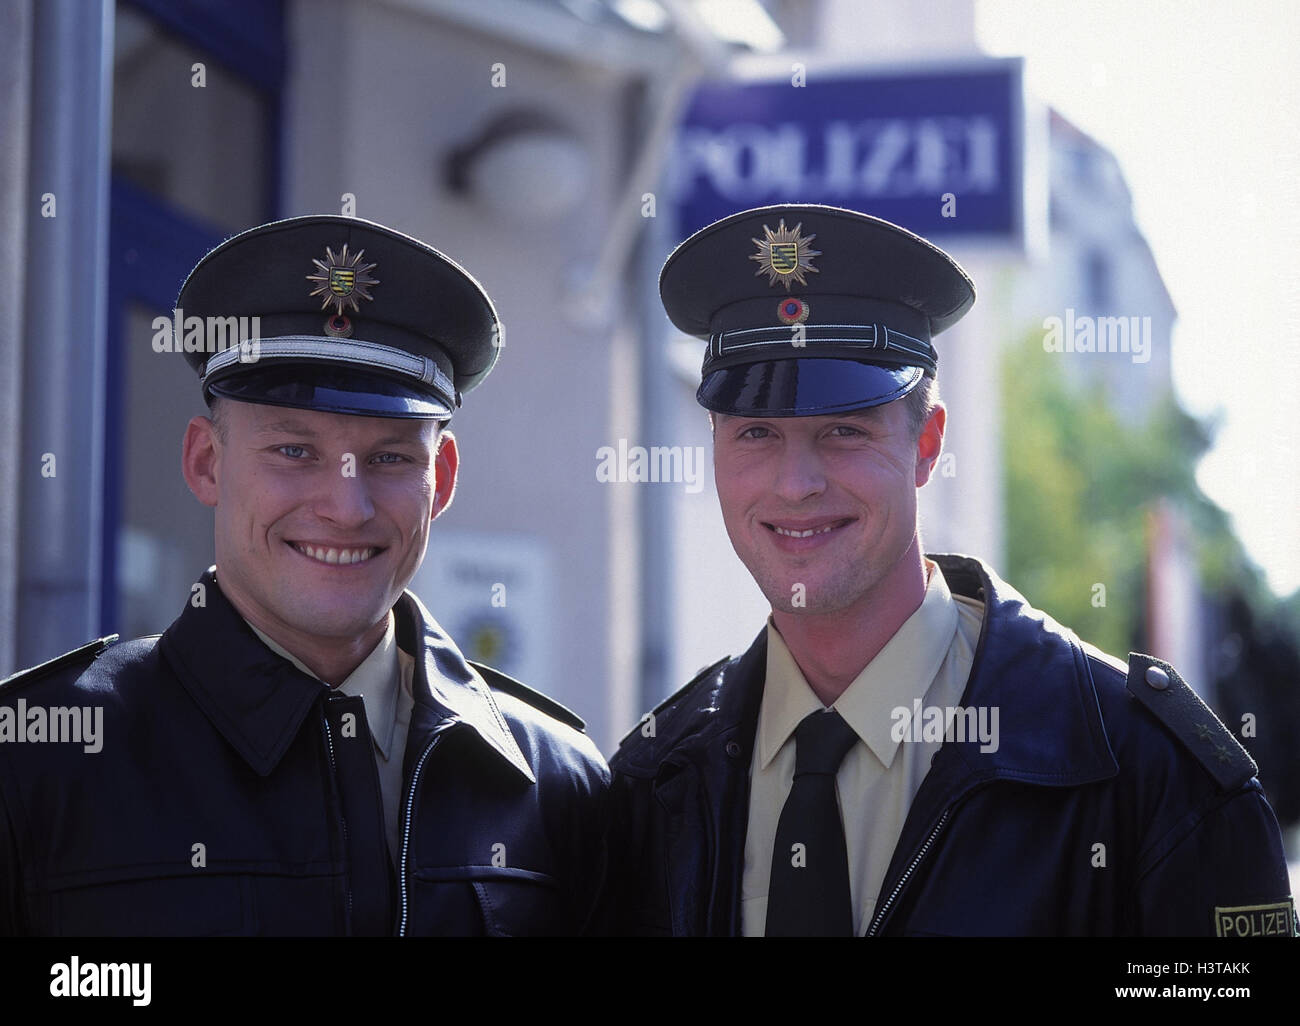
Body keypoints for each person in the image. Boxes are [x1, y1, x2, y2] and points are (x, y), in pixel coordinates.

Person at [608, 203, 1296, 936]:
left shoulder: (1142, 770)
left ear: (928, 445)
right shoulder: (652, 784)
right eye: (756, 433)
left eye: (844, 431)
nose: (795, 484)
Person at [0, 215, 609, 936]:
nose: (346, 508)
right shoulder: (41, 757)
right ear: (206, 463)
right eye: (294, 451)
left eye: (389, 458)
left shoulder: (555, 782)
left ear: (441, 480)